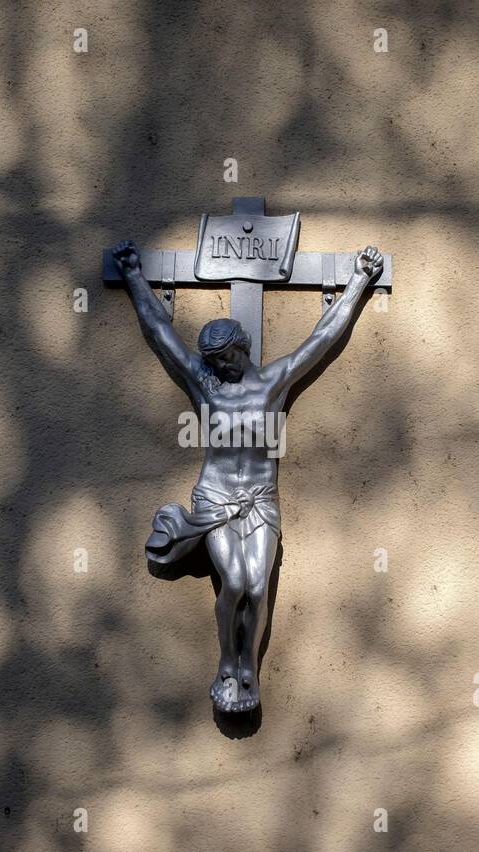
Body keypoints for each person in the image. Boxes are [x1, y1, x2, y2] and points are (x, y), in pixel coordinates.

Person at [111, 239, 384, 712]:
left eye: (226, 359)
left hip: (260, 498)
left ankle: (248, 672)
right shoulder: (205, 383)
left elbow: (320, 339)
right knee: (234, 582)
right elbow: (161, 333)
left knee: (257, 586)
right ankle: (226, 666)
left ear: (242, 348)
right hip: (216, 498)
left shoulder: (273, 381)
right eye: (213, 362)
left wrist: (358, 281)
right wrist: (135, 275)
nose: (219, 368)